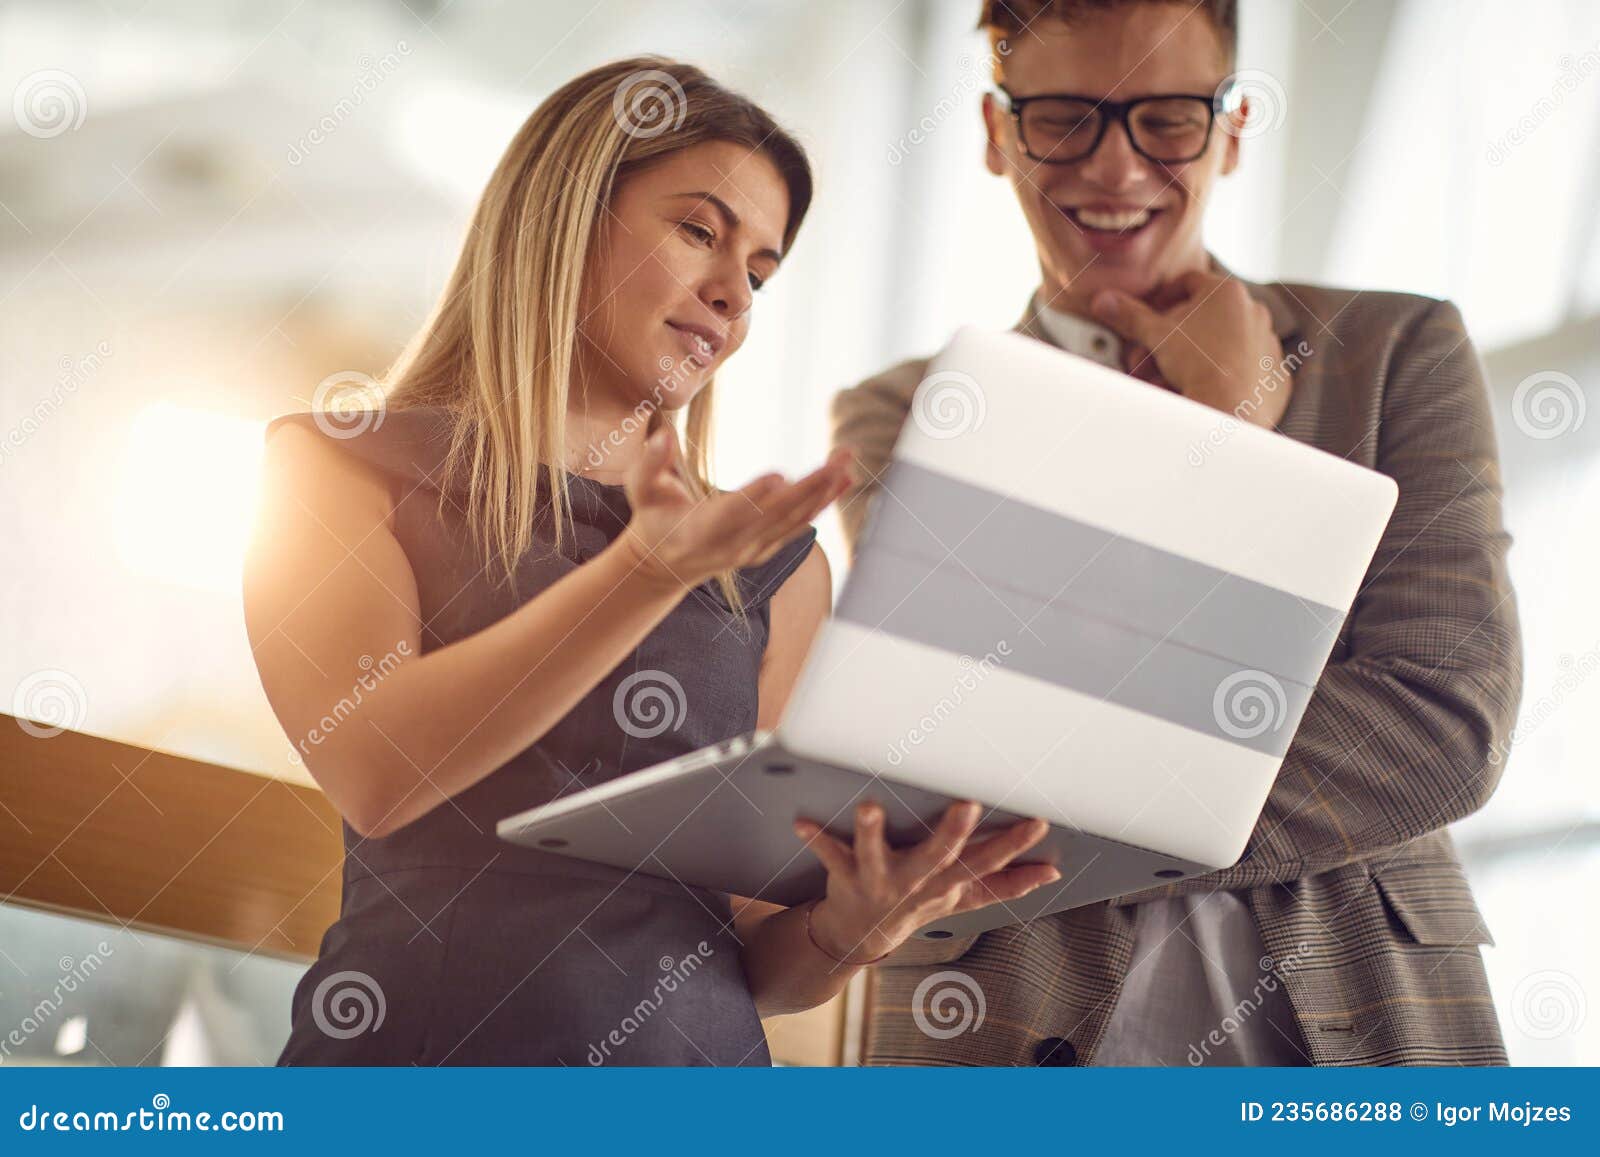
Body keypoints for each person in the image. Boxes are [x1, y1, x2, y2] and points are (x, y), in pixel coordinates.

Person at [244, 56, 1061, 1066]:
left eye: (759, 272)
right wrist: (645, 574)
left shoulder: (775, 568)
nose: (732, 294)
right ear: (564, 215)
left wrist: (849, 930)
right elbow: (376, 771)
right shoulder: (338, 466)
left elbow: (760, 959)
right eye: (698, 232)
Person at [830, 0, 1522, 1066]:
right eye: (1063, 117)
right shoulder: (905, 412)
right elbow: (963, 727)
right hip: (1010, 1028)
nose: (1113, 170)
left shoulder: (1394, 354)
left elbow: (1439, 723)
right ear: (993, 129)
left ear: (1232, 128)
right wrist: (1217, 432)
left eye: (1165, 119)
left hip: (1354, 1015)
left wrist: (1071, 781)